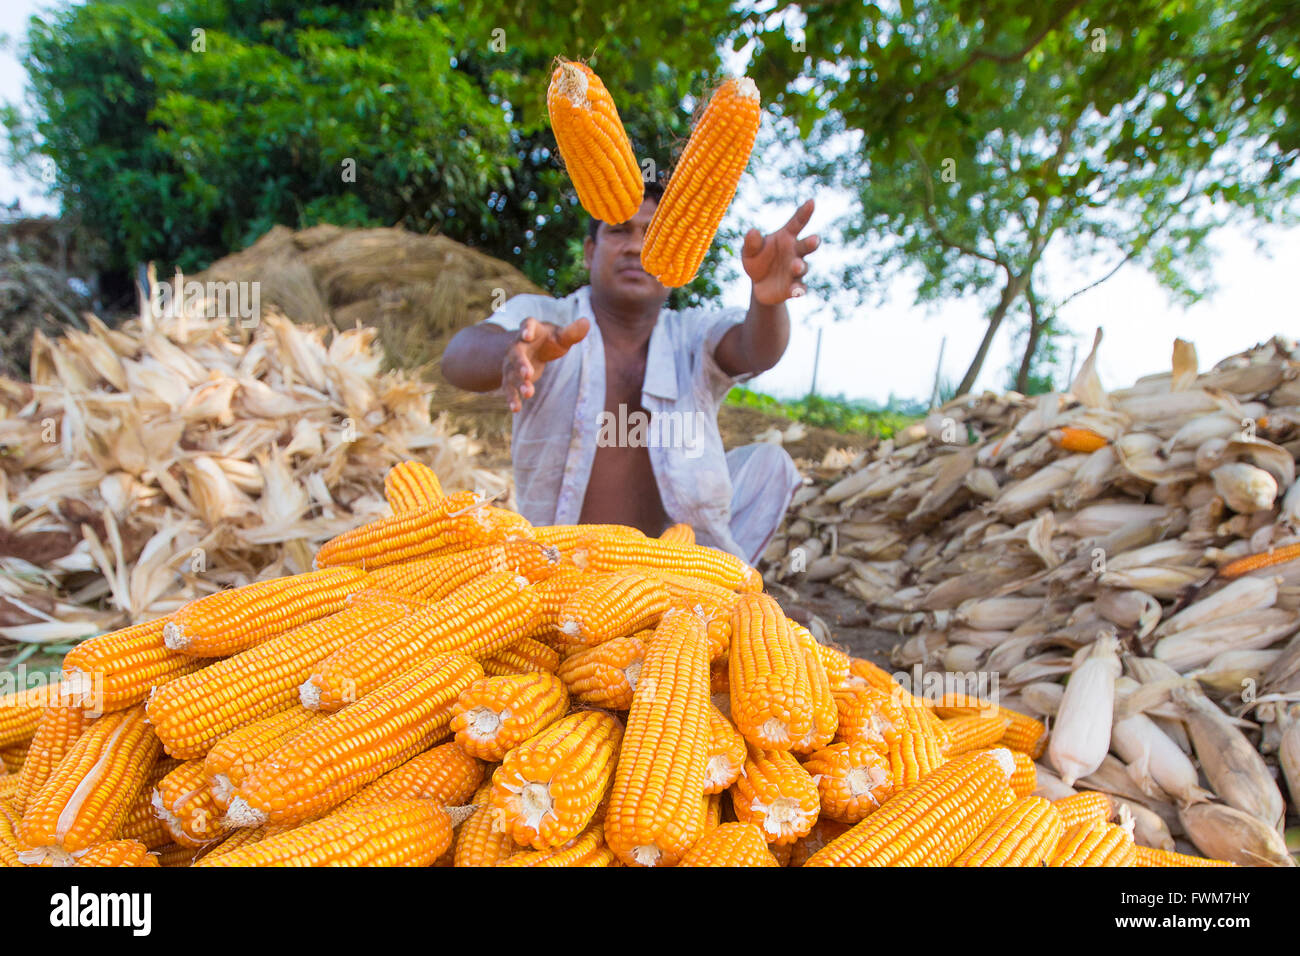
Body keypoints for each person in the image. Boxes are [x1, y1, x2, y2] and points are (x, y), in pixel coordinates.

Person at [441, 180, 819, 564]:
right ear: (590, 252)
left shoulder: (690, 334)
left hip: (675, 569)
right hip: (562, 566)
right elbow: (457, 358)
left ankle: (725, 589)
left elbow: (755, 350)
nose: (636, 247)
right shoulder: (548, 321)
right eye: (619, 231)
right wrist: (510, 353)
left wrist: (767, 303)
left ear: (676, 258)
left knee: (770, 466)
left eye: (653, 236)